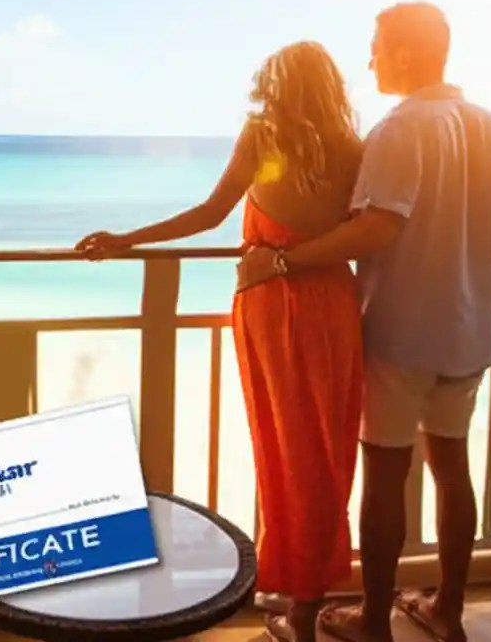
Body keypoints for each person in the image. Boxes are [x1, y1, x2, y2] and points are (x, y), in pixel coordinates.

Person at [237, 2, 491, 642]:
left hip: (401, 332)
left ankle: (374, 620)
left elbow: (373, 228)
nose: (368, 62)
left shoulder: (399, 131)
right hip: (472, 330)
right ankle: (447, 609)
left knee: (386, 479)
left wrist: (280, 261)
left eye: (375, 47)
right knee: (452, 470)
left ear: (403, 52)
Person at [76, 40, 366, 642]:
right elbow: (366, 227)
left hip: (274, 302)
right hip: (335, 302)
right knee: (324, 452)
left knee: (285, 450)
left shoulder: (263, 138)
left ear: (275, 86)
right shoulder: (354, 148)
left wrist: (126, 239)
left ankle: (297, 607)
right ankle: (307, 602)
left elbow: (210, 213)